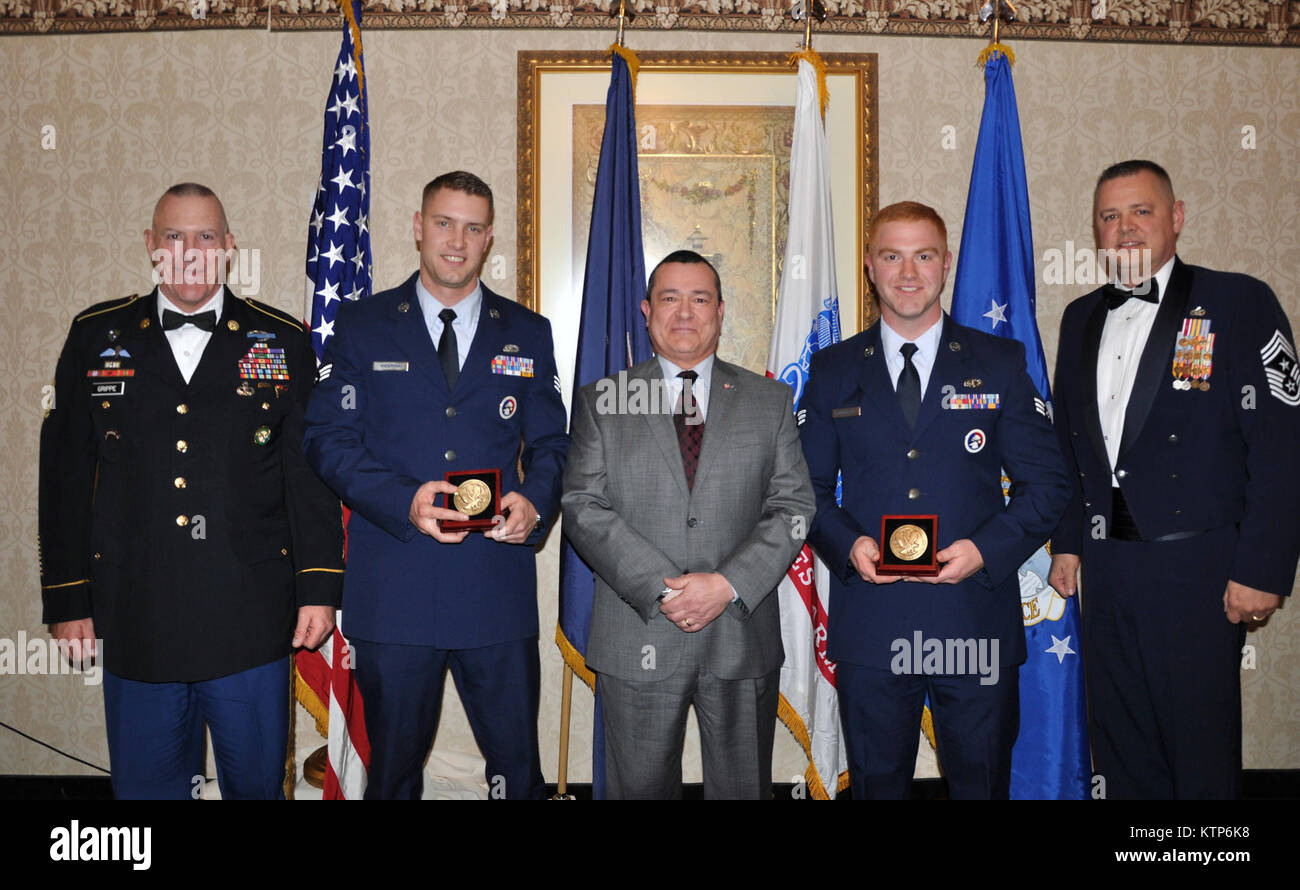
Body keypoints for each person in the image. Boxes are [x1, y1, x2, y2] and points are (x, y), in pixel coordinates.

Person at [38, 182, 344, 799]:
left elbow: (305, 480)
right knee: (147, 794)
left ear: (229, 247)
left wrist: (318, 590)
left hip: (250, 622)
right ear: (151, 247)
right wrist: (69, 598)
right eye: (174, 237)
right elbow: (65, 475)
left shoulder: (281, 341)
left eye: (205, 236)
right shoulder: (97, 337)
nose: (190, 252)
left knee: (256, 788)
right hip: (137, 618)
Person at [302, 171, 567, 800]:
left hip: (493, 591)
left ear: (489, 237)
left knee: (517, 774)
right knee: (391, 775)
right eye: (444, 223)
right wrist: (404, 500)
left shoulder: (527, 331)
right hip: (395, 590)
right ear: (418, 228)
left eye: (473, 227)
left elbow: (555, 445)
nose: (457, 240)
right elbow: (326, 439)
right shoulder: (363, 325)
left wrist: (535, 501)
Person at [798, 201, 1070, 799]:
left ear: (945, 264)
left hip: (973, 615)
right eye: (891, 256)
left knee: (981, 786)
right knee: (878, 787)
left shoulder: (998, 363)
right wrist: (851, 546)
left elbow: (1048, 484)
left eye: (923, 255)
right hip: (873, 621)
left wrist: (982, 550)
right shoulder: (834, 368)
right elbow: (804, 491)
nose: (908, 272)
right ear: (870, 266)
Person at [1047, 160, 1300, 799]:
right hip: (1108, 571)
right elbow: (1070, 444)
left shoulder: (1240, 301)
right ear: (1095, 230)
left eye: (1141, 212)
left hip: (1201, 572)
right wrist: (1069, 540)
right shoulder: (1079, 317)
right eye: (1109, 216)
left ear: (1177, 217)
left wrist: (1263, 568)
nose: (1124, 228)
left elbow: (1281, 443)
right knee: (1123, 745)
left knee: (1200, 751)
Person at [562, 249, 815, 799]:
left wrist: (725, 586)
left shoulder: (769, 401)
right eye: (670, 298)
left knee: (743, 789)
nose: (684, 312)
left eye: (699, 299)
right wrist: (663, 588)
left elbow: (794, 507)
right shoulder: (603, 402)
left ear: (721, 312)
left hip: (740, 635)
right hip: (639, 632)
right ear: (647, 311)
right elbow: (582, 506)